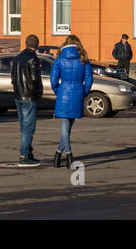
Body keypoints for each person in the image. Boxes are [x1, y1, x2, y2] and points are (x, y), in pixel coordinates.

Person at [49, 34, 93, 168]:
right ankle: (64, 154)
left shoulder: (59, 59)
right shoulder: (83, 58)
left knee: (64, 125)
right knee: (68, 126)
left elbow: (53, 80)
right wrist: (84, 91)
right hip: (78, 90)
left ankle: (63, 154)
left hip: (64, 91)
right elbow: (89, 79)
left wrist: (58, 91)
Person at [11, 33, 43, 167]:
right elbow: (35, 79)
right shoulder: (33, 59)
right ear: (37, 45)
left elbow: (13, 76)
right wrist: (38, 91)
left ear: (26, 44)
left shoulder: (18, 57)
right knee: (28, 128)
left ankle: (28, 153)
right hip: (29, 96)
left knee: (24, 126)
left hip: (18, 95)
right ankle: (24, 155)